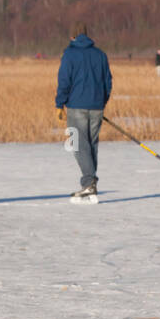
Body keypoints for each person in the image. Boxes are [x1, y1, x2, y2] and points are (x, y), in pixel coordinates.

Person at [55, 28, 113, 202]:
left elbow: (64, 80)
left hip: (77, 105)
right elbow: (108, 81)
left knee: (79, 144)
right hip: (96, 106)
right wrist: (102, 101)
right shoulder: (100, 55)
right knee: (91, 144)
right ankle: (90, 184)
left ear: (72, 36)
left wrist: (59, 104)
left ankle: (89, 183)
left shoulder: (69, 54)